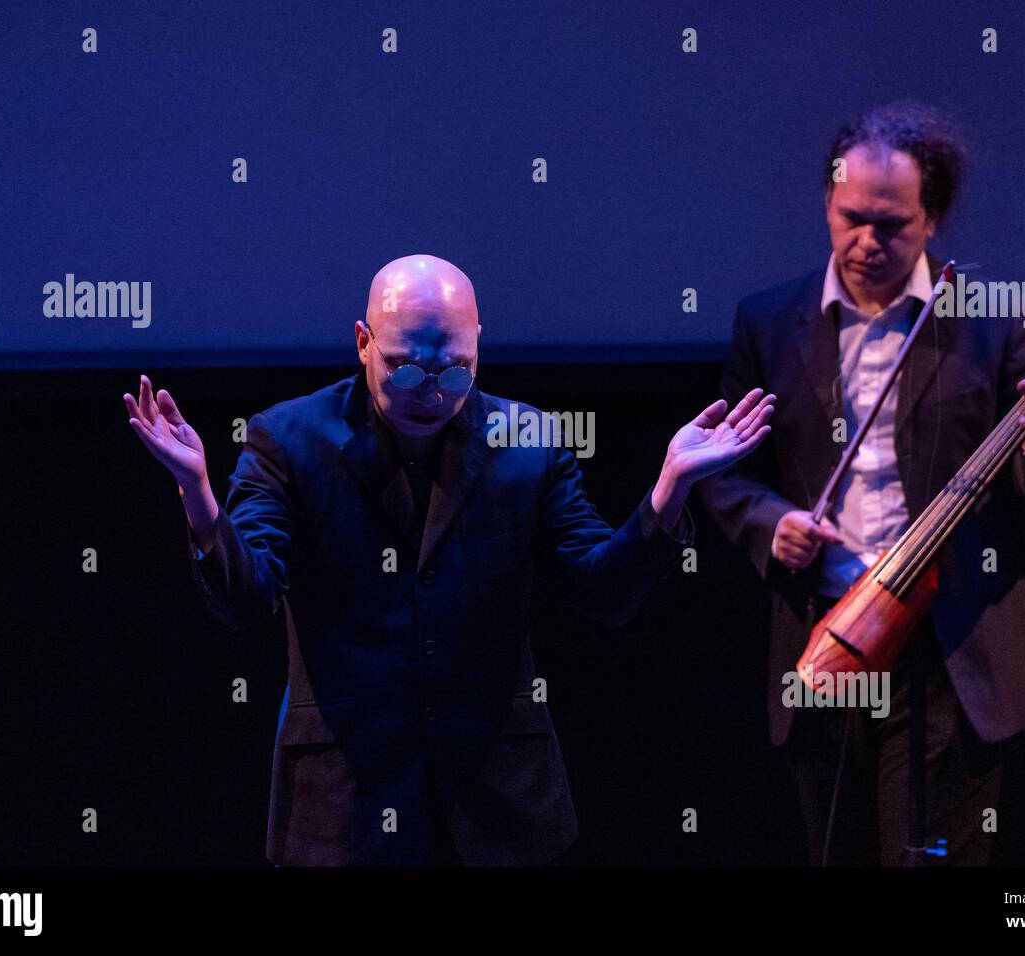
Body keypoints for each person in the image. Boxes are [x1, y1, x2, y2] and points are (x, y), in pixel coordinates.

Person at [125, 254, 775, 865]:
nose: (430, 390)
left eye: (456, 369)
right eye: (405, 367)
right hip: (345, 806)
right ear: (363, 342)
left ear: (478, 346)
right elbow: (248, 600)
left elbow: (601, 593)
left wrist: (670, 488)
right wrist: (198, 496)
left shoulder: (528, 442)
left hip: (500, 806)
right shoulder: (289, 438)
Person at [697, 104, 1025, 865]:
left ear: (931, 219)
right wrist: (772, 522)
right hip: (829, 638)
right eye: (850, 219)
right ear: (827, 205)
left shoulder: (989, 319)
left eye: (892, 225)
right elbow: (724, 471)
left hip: (950, 644)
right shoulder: (769, 322)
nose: (867, 243)